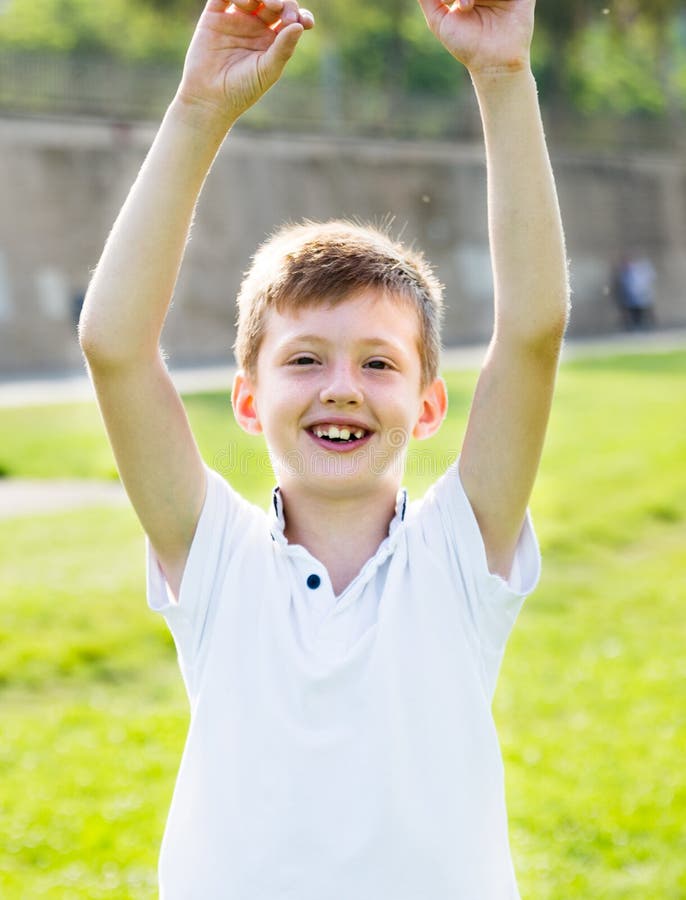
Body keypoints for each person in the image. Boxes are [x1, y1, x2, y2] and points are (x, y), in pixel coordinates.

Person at [78, 0, 569, 896]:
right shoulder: (214, 554)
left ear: (426, 408)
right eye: (304, 359)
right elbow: (114, 345)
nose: (340, 385)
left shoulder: (460, 553)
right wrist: (197, 109)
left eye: (376, 363)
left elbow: (533, 332)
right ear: (247, 397)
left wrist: (503, 79)